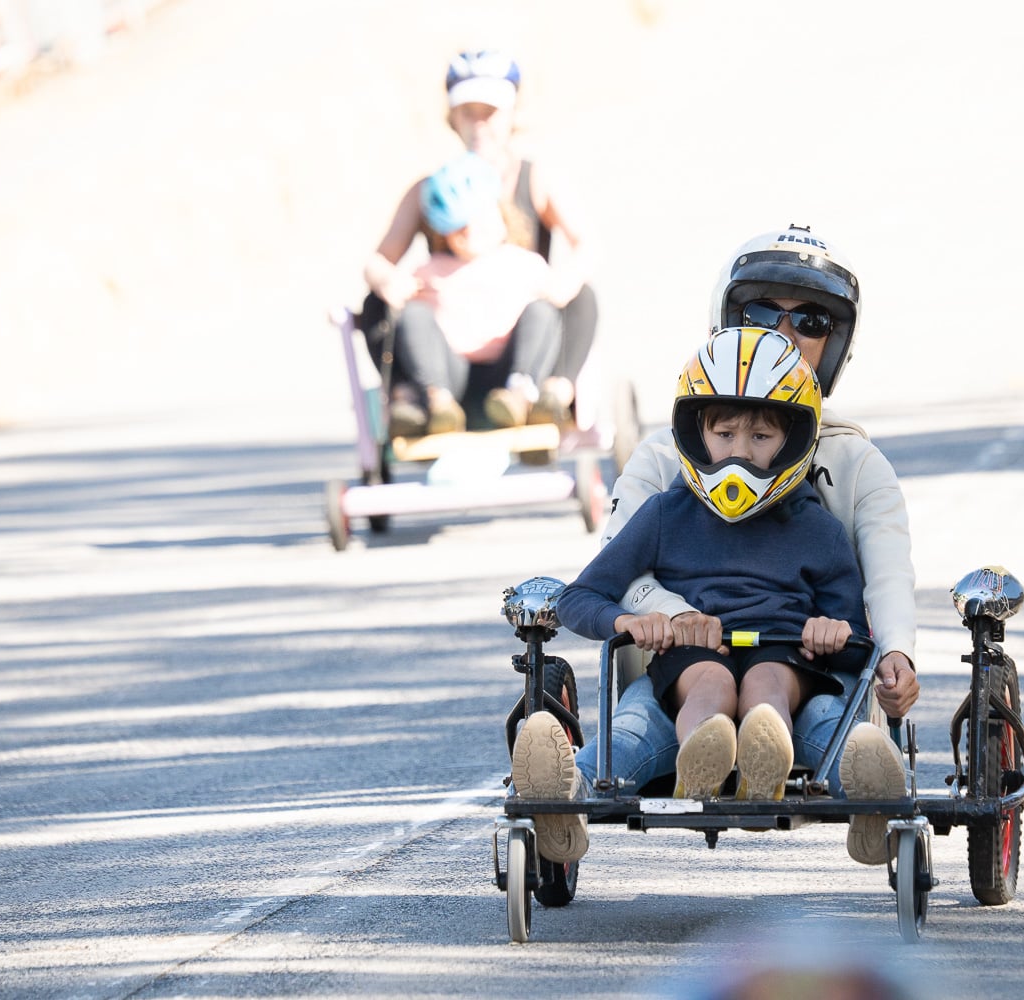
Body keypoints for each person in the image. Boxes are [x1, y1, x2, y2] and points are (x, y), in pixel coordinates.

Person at [516, 225, 919, 868]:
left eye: (810, 320)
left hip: (793, 663)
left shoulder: (852, 465)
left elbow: (883, 580)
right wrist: (670, 617)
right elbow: (611, 573)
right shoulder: (667, 466)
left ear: (835, 342)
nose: (784, 332)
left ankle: (866, 791)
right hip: (681, 661)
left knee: (820, 719)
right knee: (637, 725)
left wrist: (891, 650)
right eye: (762, 314)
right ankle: (566, 793)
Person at [363, 48, 596, 429]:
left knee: (581, 296)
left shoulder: (535, 179)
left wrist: (562, 282)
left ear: (512, 114)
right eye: (467, 112)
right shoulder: (432, 191)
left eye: (490, 112)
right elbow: (378, 261)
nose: (479, 123)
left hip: (518, 344)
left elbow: (586, 246)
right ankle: (413, 399)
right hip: (450, 348)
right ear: (453, 117)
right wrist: (389, 281)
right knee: (377, 304)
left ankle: (552, 392)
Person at [361, 152, 571, 435]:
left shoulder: (526, 264)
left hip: (506, 372)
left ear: (500, 214)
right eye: (459, 228)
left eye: (479, 220)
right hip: (452, 376)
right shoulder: (429, 271)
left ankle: (521, 396)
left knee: (542, 312)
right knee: (412, 314)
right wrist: (395, 287)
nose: (471, 233)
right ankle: (437, 401)